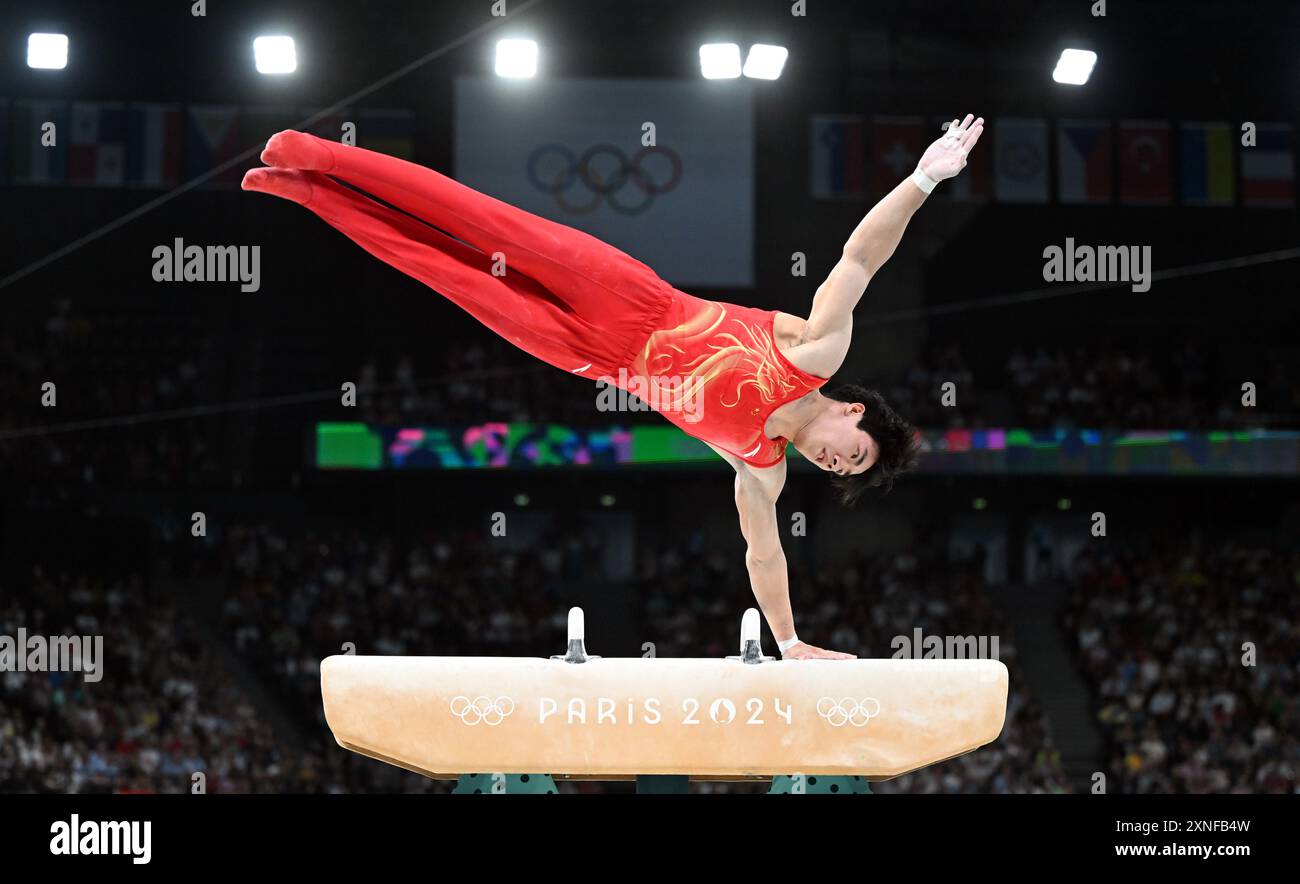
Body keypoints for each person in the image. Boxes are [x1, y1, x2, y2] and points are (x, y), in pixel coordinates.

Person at [242, 114, 985, 660]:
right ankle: (325, 157)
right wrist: (923, 179)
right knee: (478, 222)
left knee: (446, 274)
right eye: (854, 454)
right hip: (629, 297)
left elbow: (765, 556)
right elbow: (860, 258)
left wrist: (789, 644)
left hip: (589, 358)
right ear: (855, 412)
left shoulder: (761, 466)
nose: (835, 466)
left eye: (843, 475)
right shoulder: (814, 349)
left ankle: (314, 197)